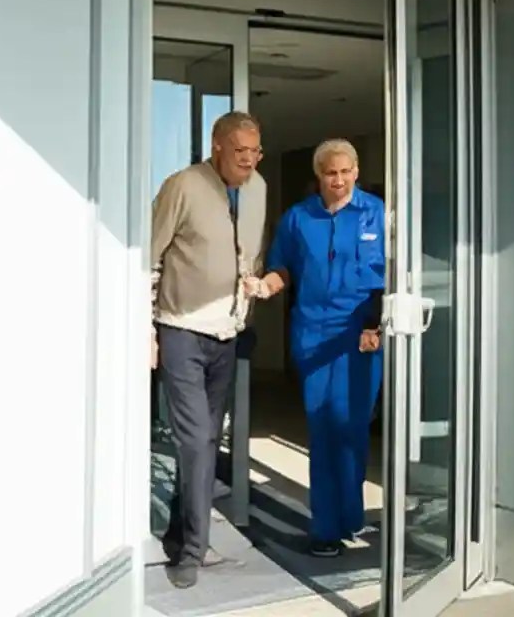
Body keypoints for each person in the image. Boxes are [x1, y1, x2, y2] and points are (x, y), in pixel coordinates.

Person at [244, 138, 384, 558]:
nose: (338, 180)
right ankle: (325, 529)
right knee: (322, 429)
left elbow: (391, 274)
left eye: (345, 172)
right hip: (314, 336)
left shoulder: (377, 212)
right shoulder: (297, 218)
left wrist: (375, 323)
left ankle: (350, 517)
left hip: (362, 336)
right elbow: (282, 267)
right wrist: (267, 285)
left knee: (352, 429)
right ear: (318, 177)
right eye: (330, 173)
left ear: (356, 172)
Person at [150, 111, 266, 589]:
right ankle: (193, 553)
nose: (249, 161)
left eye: (256, 152)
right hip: (180, 329)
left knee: (203, 444)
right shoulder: (182, 185)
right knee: (197, 441)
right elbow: (148, 255)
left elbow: (251, 253)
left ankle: (183, 534)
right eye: (241, 151)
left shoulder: (257, 188)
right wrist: (145, 332)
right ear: (217, 146)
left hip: (228, 332)